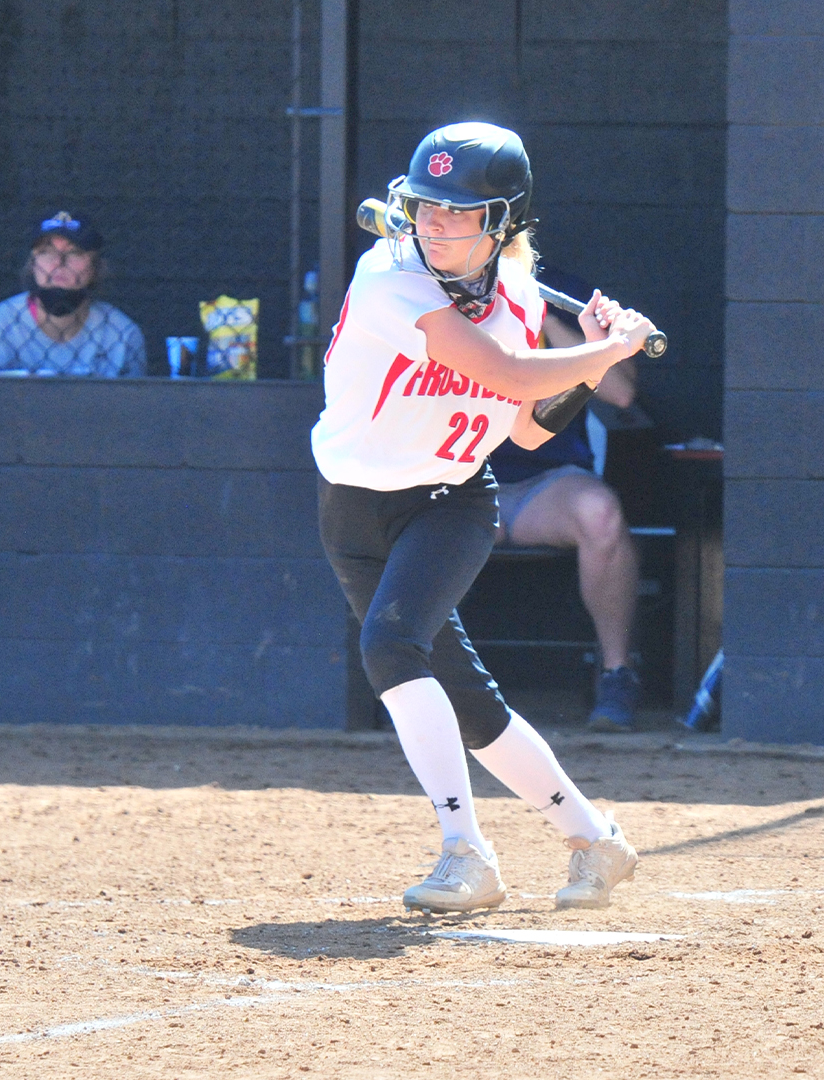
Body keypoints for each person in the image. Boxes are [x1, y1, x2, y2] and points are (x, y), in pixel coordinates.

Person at [312, 122, 655, 913]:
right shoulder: (387, 279)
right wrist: (604, 354)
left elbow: (531, 425)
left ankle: (466, 854)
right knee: (466, 699)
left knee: (392, 649)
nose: (432, 224)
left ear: (503, 221)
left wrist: (592, 353)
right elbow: (499, 369)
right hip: (350, 507)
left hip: (449, 500)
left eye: (457, 212)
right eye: (424, 206)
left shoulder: (521, 297)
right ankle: (595, 840)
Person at [487, 268, 645, 730]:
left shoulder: (560, 293)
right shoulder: (450, 290)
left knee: (600, 514)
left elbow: (620, 392)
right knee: (419, 512)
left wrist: (544, 315)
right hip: (468, 478)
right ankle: (422, 682)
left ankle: (617, 675)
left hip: (547, 484)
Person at [0, 212, 146, 377]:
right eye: (46, 252)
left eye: (75, 252)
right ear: (32, 264)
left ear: (96, 266)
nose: (59, 262)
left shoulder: (122, 334)